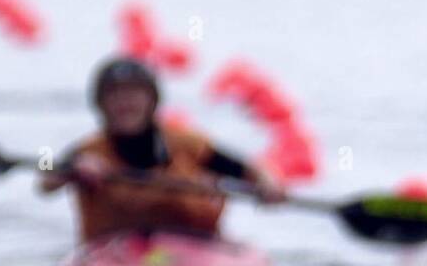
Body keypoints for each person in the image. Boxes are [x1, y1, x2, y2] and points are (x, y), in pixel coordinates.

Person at [39, 58, 284, 241]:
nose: (125, 103)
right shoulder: (88, 151)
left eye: (134, 94)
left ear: (152, 100)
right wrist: (72, 170)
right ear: (101, 104)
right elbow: (46, 179)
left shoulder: (186, 144)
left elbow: (247, 170)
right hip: (114, 254)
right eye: (114, 95)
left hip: (193, 249)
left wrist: (268, 184)